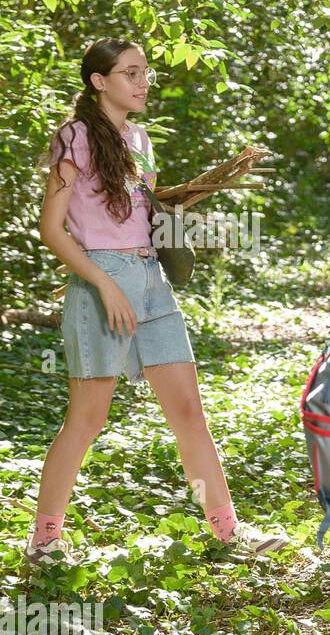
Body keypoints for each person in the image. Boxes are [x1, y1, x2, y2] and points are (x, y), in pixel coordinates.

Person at [26, 38, 287, 566]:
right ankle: (45, 540)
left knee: (189, 411)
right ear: (99, 81)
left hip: (150, 279)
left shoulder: (139, 138)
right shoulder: (73, 138)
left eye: (145, 72)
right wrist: (103, 283)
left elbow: (135, 213)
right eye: (130, 73)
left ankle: (227, 530)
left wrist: (175, 220)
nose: (143, 81)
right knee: (87, 418)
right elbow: (52, 231)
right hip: (102, 281)